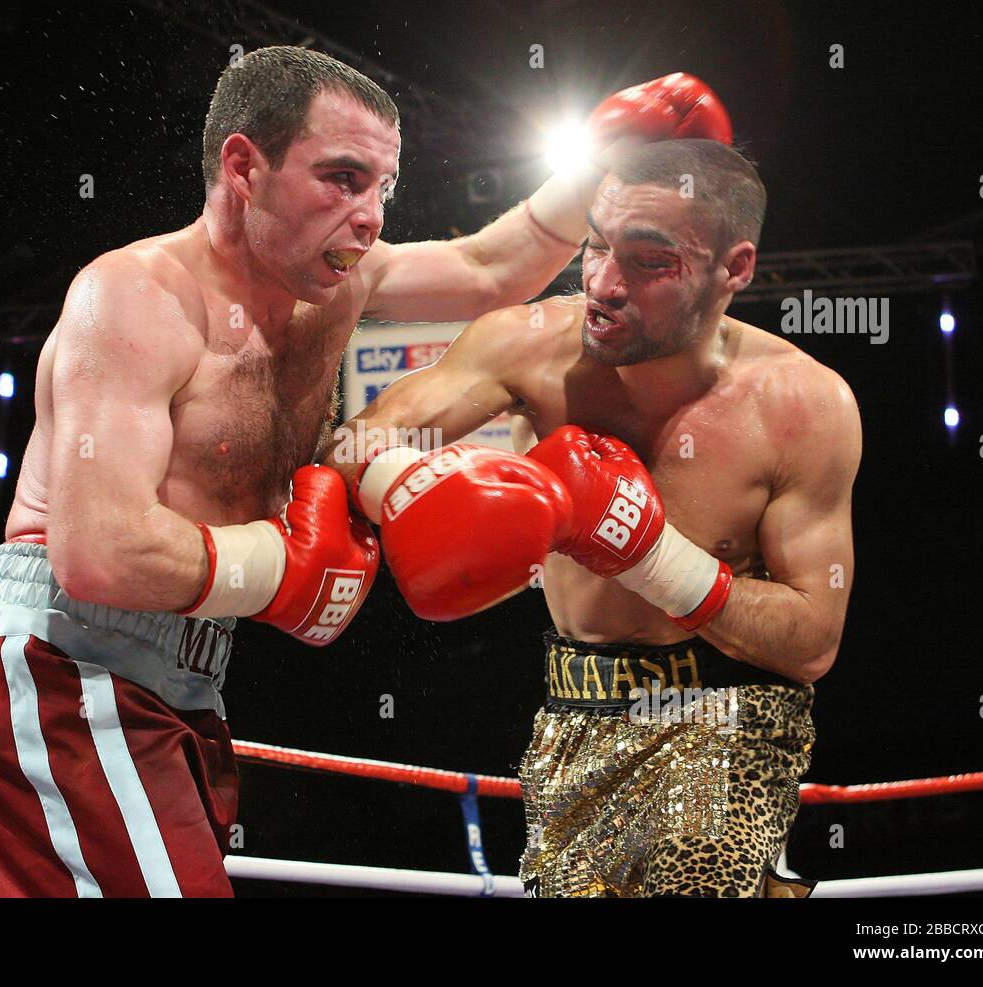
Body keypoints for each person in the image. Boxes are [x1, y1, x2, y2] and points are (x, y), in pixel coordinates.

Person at [0, 46, 728, 896]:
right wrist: (286, 564)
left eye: (382, 189)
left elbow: (493, 268)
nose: (370, 217)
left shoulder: (338, 289)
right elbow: (99, 554)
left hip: (182, 674)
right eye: (341, 179)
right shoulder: (135, 299)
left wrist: (606, 159)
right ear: (244, 166)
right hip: (63, 658)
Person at [320, 137, 860, 897]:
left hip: (727, 709)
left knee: (692, 875)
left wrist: (651, 557)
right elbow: (352, 447)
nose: (604, 284)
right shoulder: (528, 346)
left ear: (734, 269)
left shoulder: (804, 405)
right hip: (573, 707)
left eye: (648, 262)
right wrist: (421, 484)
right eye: (596, 245)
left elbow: (811, 641)